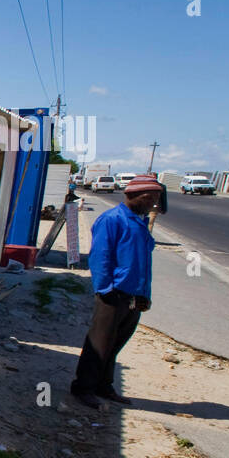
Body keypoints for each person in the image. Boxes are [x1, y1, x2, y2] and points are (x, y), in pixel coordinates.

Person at [70, 173, 161, 408]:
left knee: (116, 343)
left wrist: (144, 294)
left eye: (156, 198)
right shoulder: (112, 220)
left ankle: (104, 385)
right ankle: (84, 387)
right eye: (149, 197)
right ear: (132, 194)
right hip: (114, 294)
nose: (153, 203)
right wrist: (105, 289)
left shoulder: (140, 223)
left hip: (134, 295)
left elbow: (143, 263)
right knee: (99, 342)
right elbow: (100, 257)